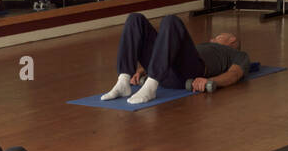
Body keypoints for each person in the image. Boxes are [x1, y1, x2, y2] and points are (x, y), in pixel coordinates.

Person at [101, 13, 249, 104]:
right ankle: (123, 81)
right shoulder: (202, 45)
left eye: (218, 37)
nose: (212, 38)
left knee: (171, 21)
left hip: (187, 73)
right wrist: (142, 70)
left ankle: (151, 87)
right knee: (135, 19)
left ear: (232, 40)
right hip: (163, 71)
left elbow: (234, 74)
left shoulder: (236, 54)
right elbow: (166, 50)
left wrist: (211, 82)